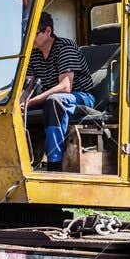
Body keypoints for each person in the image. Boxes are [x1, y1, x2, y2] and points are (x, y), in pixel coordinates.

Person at [23, 13, 96, 169]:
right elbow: (27, 86)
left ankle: (54, 163)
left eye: (34, 34)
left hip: (80, 96)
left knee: (55, 101)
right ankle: (25, 161)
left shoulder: (65, 47)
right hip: (52, 98)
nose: (30, 39)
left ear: (48, 31)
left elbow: (66, 87)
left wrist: (32, 101)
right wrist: (20, 102)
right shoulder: (33, 53)